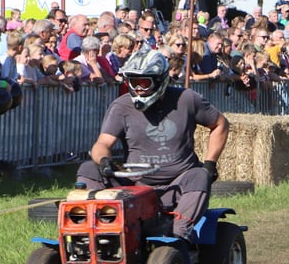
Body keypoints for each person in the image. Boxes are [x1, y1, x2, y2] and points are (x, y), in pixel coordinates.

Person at [75, 48, 229, 245]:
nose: (138, 89)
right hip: (134, 185)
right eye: (133, 82)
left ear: (160, 80)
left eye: (144, 82)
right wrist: (105, 161)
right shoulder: (121, 106)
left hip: (177, 183)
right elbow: (102, 144)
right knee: (88, 168)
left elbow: (220, 124)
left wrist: (210, 163)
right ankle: (98, 229)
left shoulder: (187, 99)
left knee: (200, 175)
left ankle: (178, 236)